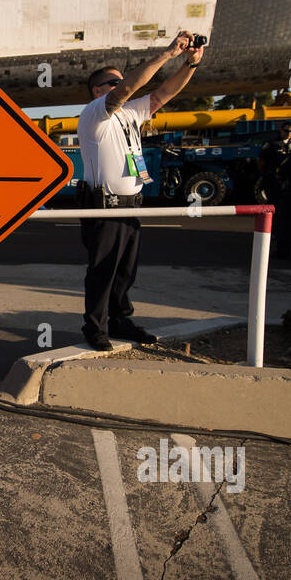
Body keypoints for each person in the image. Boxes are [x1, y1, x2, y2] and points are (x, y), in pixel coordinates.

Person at [77, 30, 203, 349]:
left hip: (132, 204)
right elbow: (130, 87)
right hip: (105, 206)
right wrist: (167, 53)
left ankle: (120, 319)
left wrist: (190, 64)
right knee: (103, 270)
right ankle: (95, 327)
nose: (120, 86)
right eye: (113, 82)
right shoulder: (96, 114)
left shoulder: (131, 113)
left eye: (120, 81)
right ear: (97, 91)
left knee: (124, 271)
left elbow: (164, 93)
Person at [257, 122, 291, 204]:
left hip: (289, 180)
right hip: (274, 180)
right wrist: (266, 174)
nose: (289, 133)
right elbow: (261, 161)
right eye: (286, 131)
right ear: (281, 130)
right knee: (274, 205)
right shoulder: (271, 144)